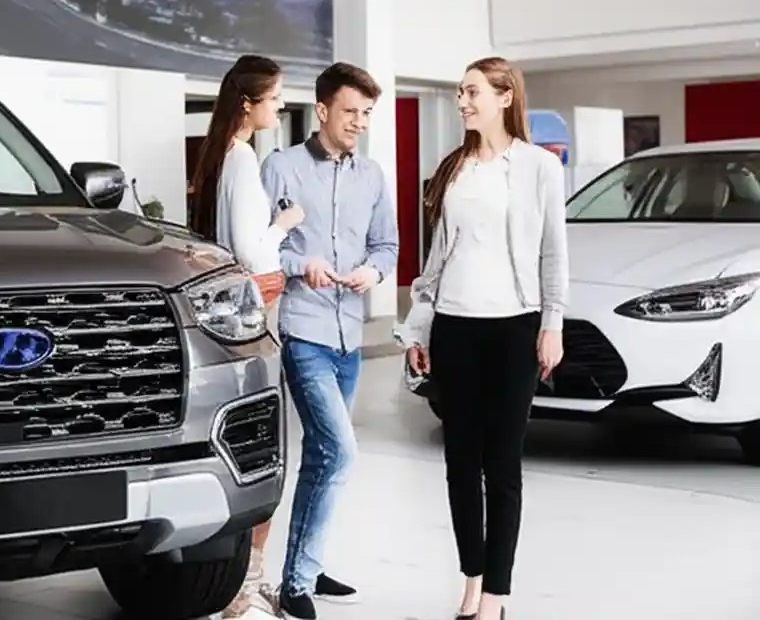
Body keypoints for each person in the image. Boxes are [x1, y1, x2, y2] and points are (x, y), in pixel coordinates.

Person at [395, 56, 568, 620]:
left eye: (471, 92)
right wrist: (418, 327)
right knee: (459, 463)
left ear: (504, 96)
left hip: (515, 328)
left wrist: (552, 323)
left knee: (503, 465)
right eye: (459, 93)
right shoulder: (453, 168)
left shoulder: (541, 167)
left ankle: (496, 594)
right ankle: (471, 579)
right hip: (455, 329)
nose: (462, 101)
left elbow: (553, 254)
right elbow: (436, 259)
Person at [258, 62, 399, 620]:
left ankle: (308, 566)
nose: (359, 122)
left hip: (350, 336)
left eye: (366, 114)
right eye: (350, 112)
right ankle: (295, 584)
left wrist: (374, 272)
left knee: (322, 456)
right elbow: (259, 250)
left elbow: (387, 245)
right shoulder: (281, 168)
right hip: (304, 331)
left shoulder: (372, 175)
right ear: (321, 110)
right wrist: (300, 264)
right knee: (340, 450)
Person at [188, 53, 305, 619]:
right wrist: (284, 225)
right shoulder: (239, 159)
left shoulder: (220, 158)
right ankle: (244, 591)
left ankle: (239, 585)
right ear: (248, 103)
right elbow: (251, 247)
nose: (281, 107)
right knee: (261, 451)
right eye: (276, 98)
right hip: (257, 317)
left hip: (238, 317)